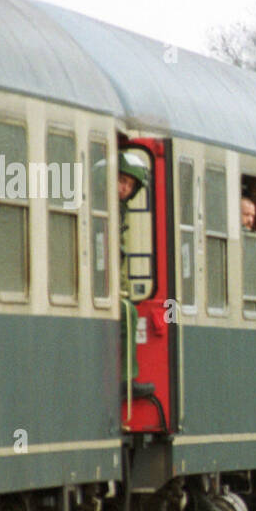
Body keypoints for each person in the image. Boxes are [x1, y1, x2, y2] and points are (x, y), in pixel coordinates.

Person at [117, 152, 151, 395]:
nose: (124, 188)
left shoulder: (121, 211)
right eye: (121, 181)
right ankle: (127, 378)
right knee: (128, 312)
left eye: (130, 185)